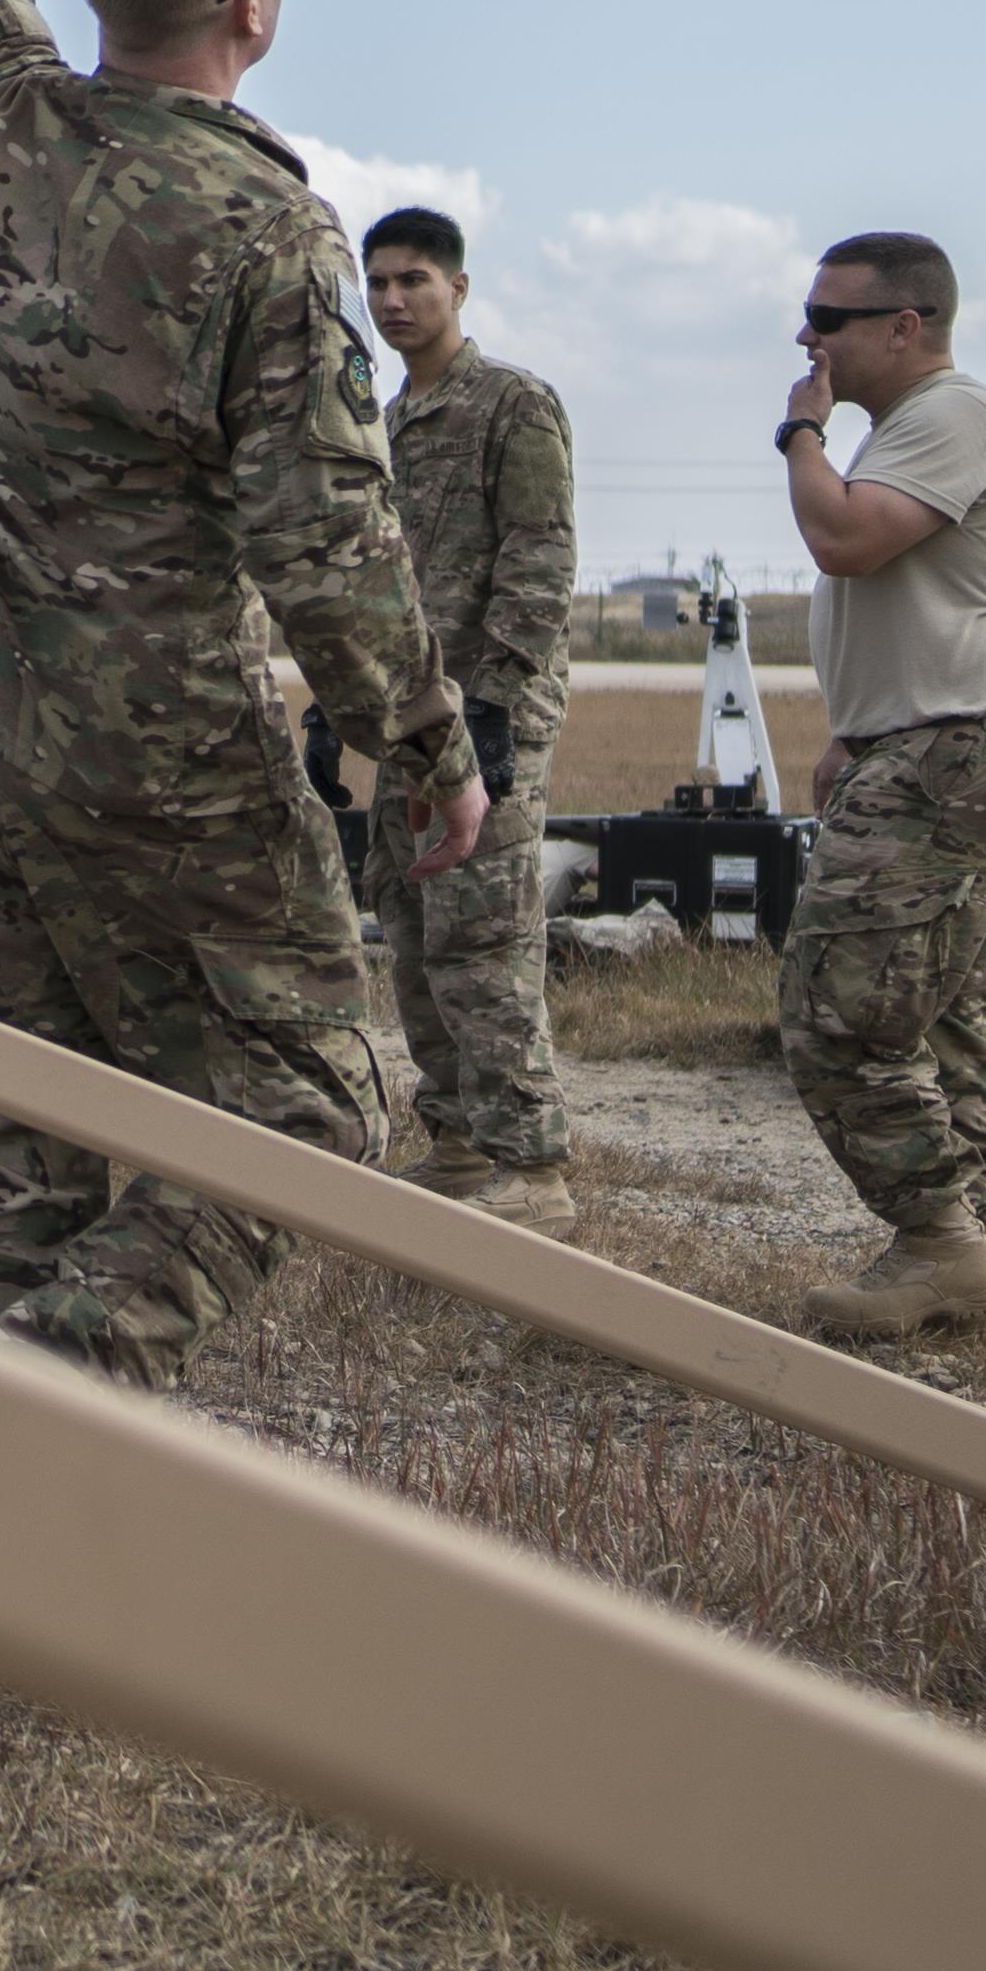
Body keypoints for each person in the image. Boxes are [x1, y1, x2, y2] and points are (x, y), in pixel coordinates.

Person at [0, 0, 484, 1392]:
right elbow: (322, 537)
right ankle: (38, 1415)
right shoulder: (260, 228)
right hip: (161, 750)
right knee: (298, 1106)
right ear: (254, 12)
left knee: (23, 1113)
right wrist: (423, 743)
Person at [776, 233, 986, 1341]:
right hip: (928, 749)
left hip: (955, 756)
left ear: (905, 326)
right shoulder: (909, 433)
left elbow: (845, 538)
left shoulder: (952, 415)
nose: (807, 337)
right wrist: (854, 733)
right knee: (943, 1021)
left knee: (834, 1013)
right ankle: (959, 1271)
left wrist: (798, 431)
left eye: (828, 317)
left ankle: (941, 1246)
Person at [354, 206, 582, 1232]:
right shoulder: (380, 419)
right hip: (402, 722)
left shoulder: (509, 404)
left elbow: (537, 561)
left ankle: (531, 1168)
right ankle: (454, 1140)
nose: (393, 301)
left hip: (482, 721)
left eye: (413, 282)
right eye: (378, 285)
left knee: (481, 941)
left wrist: (490, 710)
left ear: (457, 289)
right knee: (406, 930)